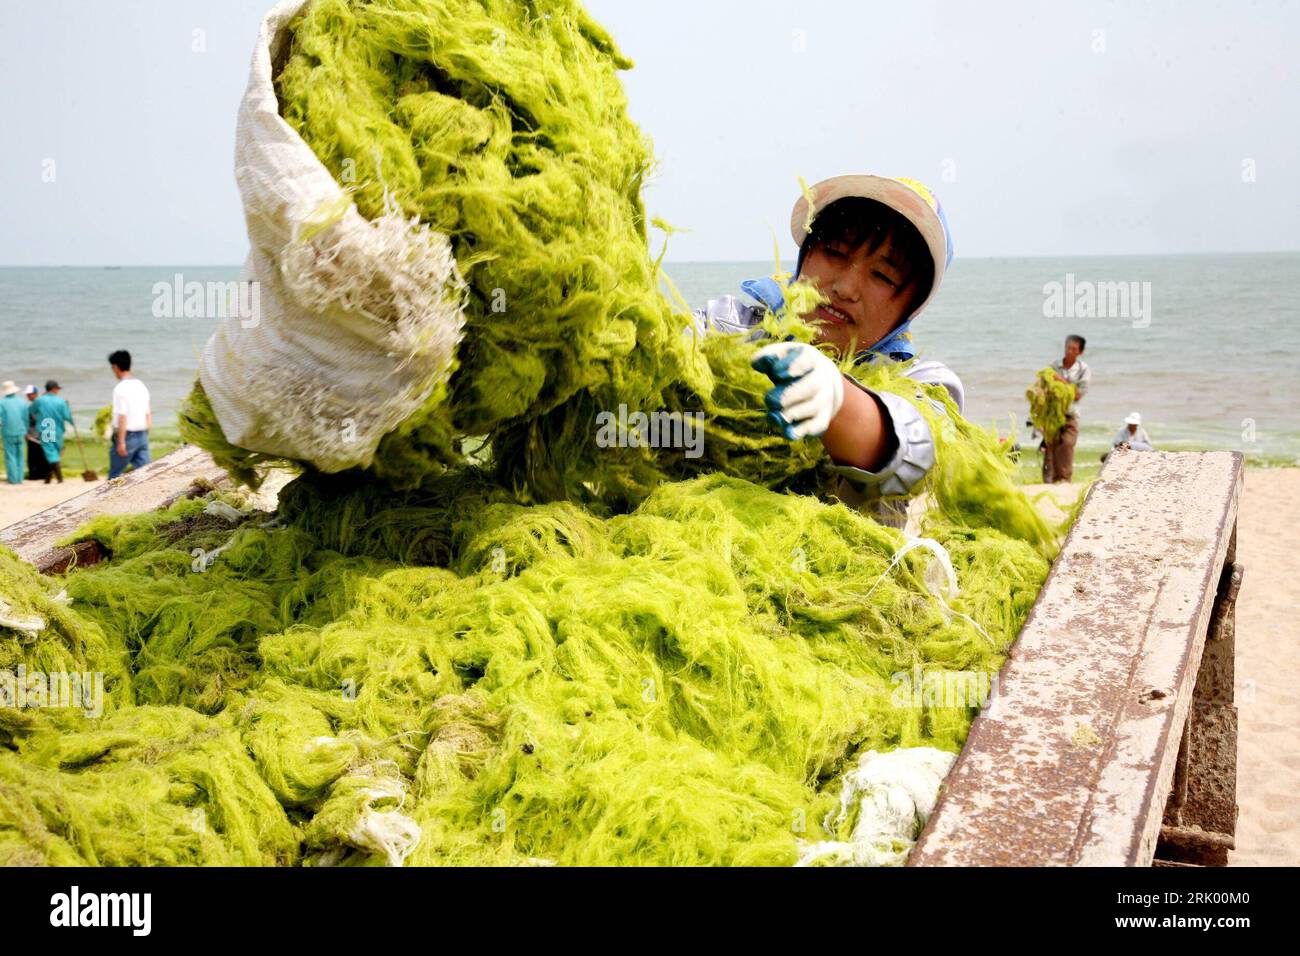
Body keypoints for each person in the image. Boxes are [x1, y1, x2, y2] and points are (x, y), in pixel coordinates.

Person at [693, 174, 959, 520]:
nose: (847, 287)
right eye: (834, 252)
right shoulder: (730, 326)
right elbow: (664, 343)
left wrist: (838, 400)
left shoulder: (923, 383)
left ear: (910, 309)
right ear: (804, 256)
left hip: (845, 568)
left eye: (882, 276)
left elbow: (916, 450)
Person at [1041, 334, 1091, 483]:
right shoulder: (1053, 367)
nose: (1070, 351)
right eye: (1068, 347)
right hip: (1053, 414)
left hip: (1071, 413)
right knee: (1052, 446)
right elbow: (1043, 387)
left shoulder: (1083, 370)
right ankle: (1054, 480)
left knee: (1068, 443)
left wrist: (1061, 381)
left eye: (1074, 349)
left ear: (1080, 352)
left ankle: (1065, 478)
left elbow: (1078, 395)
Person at [107, 350, 152, 479]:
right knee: (146, 474)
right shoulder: (141, 385)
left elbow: (122, 416)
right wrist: (146, 432)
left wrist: (121, 442)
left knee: (114, 475)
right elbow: (148, 413)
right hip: (142, 435)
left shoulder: (120, 388)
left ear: (115, 367)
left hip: (127, 437)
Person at [31, 380, 76, 484]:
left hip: (46, 430)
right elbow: (67, 416)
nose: (58, 391)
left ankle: (58, 478)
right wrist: (73, 423)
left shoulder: (39, 400)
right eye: (57, 389)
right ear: (54, 389)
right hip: (58, 430)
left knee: (51, 454)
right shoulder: (61, 401)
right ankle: (49, 478)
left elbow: (31, 411)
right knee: (55, 453)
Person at [0, 381, 29, 485]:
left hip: (8, 432)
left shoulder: (2, 403)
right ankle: (20, 479)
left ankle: (13, 480)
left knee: (10, 456)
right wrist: (26, 431)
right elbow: (26, 419)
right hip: (21, 432)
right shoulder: (22, 402)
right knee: (20, 455)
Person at [23, 384, 51, 481]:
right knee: (37, 455)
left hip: (36, 434)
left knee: (35, 456)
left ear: (36, 394)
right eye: (28, 394)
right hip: (36, 434)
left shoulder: (36, 406)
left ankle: (36, 475)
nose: (29, 396)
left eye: (31, 394)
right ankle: (41, 474)